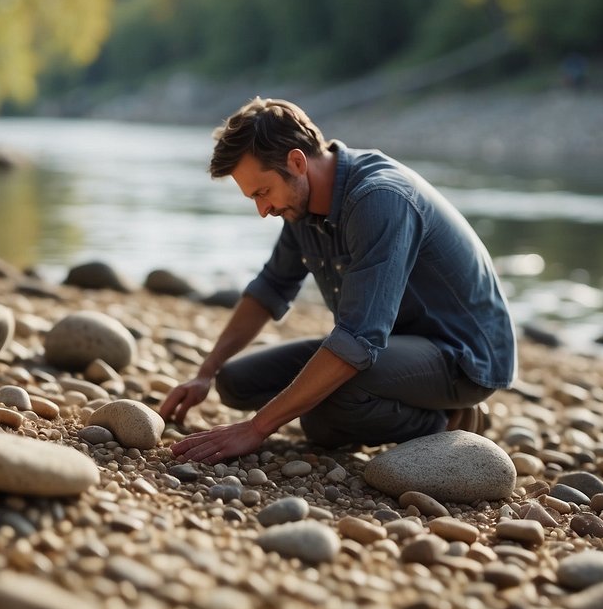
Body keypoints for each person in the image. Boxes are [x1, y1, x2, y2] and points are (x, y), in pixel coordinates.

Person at [164, 97, 516, 465]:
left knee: (324, 416)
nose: (263, 210)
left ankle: (452, 418)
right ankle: (406, 406)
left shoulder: (380, 199)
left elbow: (358, 340)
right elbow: (271, 288)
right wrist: (205, 373)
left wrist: (255, 429)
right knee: (235, 381)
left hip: (462, 357)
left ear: (297, 163)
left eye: (262, 192)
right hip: (387, 344)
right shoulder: (301, 205)